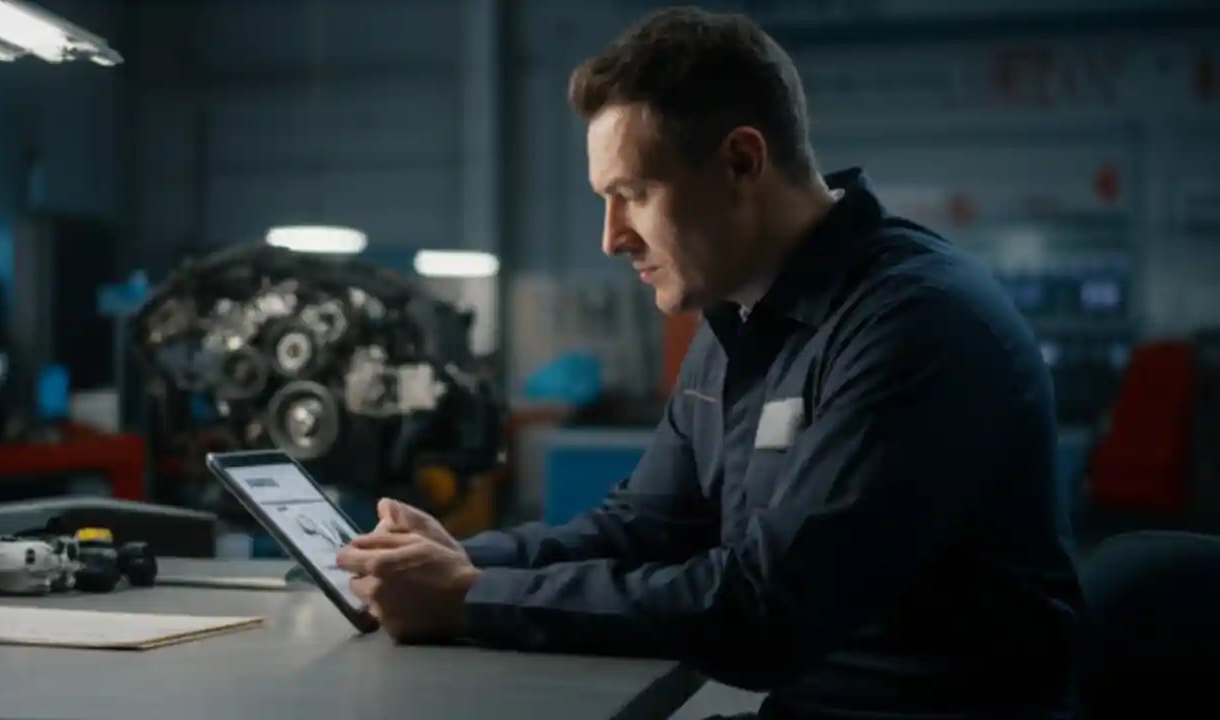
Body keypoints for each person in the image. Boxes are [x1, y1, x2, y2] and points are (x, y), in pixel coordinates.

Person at [336, 7, 1085, 719]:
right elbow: (646, 527)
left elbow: (765, 614)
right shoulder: (737, 317)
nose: (610, 237)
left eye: (632, 194)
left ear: (740, 162)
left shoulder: (914, 325)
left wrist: (470, 597)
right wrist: (449, 558)